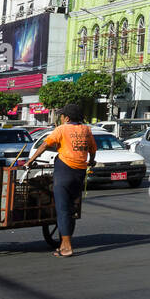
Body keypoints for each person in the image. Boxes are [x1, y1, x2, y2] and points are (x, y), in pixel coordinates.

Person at [22, 102, 97, 258]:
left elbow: (44, 145)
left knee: (62, 210)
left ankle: (67, 247)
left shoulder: (62, 129)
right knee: (70, 209)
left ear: (67, 118)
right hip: (80, 173)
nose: (61, 118)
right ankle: (63, 244)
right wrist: (91, 161)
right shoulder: (86, 130)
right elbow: (93, 150)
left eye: (62, 116)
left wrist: (30, 161)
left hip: (65, 171)